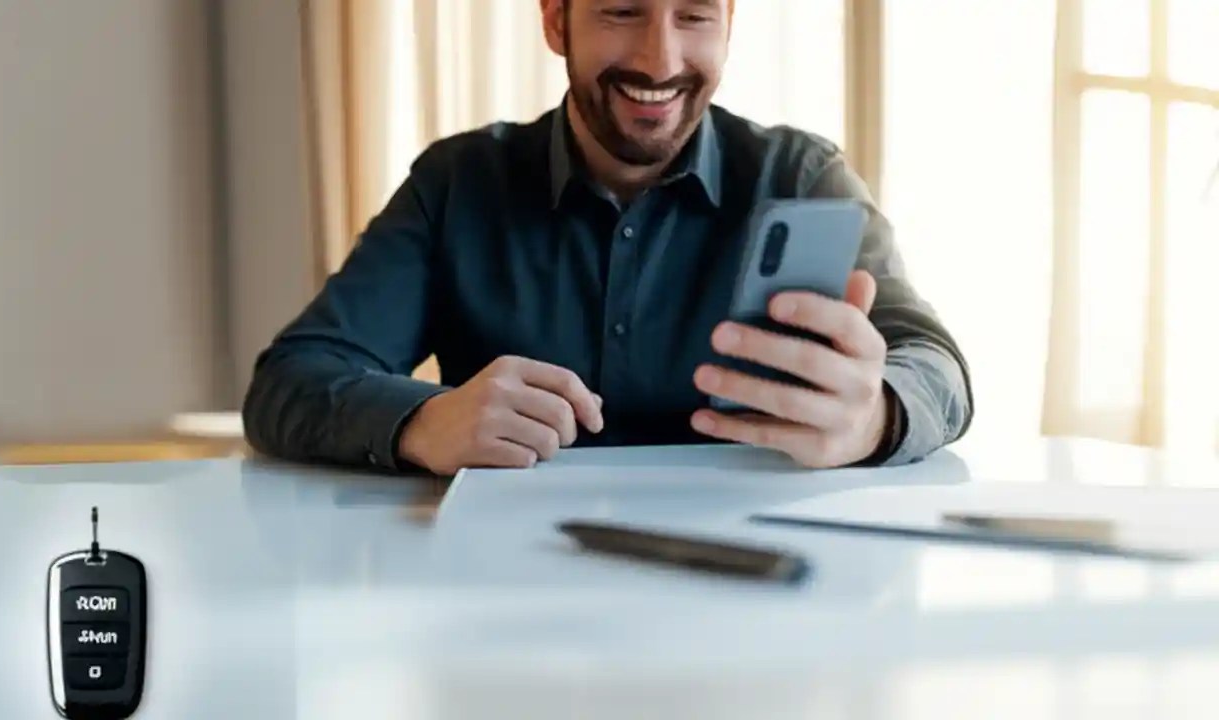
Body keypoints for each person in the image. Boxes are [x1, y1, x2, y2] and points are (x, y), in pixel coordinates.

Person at [242, 0, 973, 476]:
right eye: (623, 12)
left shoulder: (804, 175)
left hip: (750, 598)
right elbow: (292, 380)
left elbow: (936, 367)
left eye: (695, 17)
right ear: (556, 21)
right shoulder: (458, 183)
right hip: (504, 606)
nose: (660, 61)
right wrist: (422, 422)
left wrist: (876, 415)